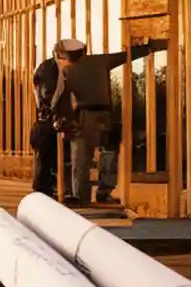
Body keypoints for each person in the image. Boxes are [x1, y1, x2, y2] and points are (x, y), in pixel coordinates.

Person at [51, 36, 168, 205]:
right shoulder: (100, 61)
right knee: (109, 154)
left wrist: (63, 122)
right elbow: (125, 55)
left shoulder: (67, 71)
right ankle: (104, 192)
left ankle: (81, 198)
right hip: (105, 115)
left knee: (81, 159)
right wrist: (150, 47)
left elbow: (57, 101)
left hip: (84, 118)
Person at [30, 39, 83, 197]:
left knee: (49, 160)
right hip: (46, 125)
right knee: (46, 159)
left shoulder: (54, 69)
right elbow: (46, 97)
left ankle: (49, 190)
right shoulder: (50, 70)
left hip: (47, 124)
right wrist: (55, 119)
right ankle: (43, 193)